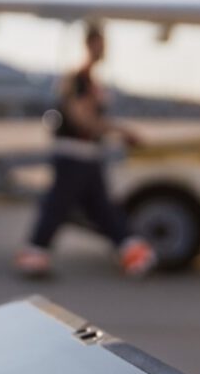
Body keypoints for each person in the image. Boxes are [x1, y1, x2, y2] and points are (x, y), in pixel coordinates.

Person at [15, 23, 156, 277]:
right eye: (99, 44)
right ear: (90, 44)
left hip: (88, 155)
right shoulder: (78, 79)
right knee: (60, 205)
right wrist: (120, 131)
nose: (103, 50)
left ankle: (133, 252)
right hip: (73, 154)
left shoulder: (90, 81)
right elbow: (82, 119)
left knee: (102, 209)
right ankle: (34, 255)